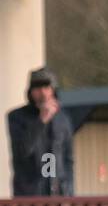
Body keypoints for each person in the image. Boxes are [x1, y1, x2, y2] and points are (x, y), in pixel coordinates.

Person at [7, 67, 75, 196]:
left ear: (53, 90)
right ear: (30, 92)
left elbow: (68, 159)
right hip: (29, 195)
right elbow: (22, 151)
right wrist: (41, 120)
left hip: (58, 194)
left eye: (47, 87)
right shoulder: (17, 117)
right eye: (37, 88)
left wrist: (69, 192)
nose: (43, 93)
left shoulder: (63, 119)